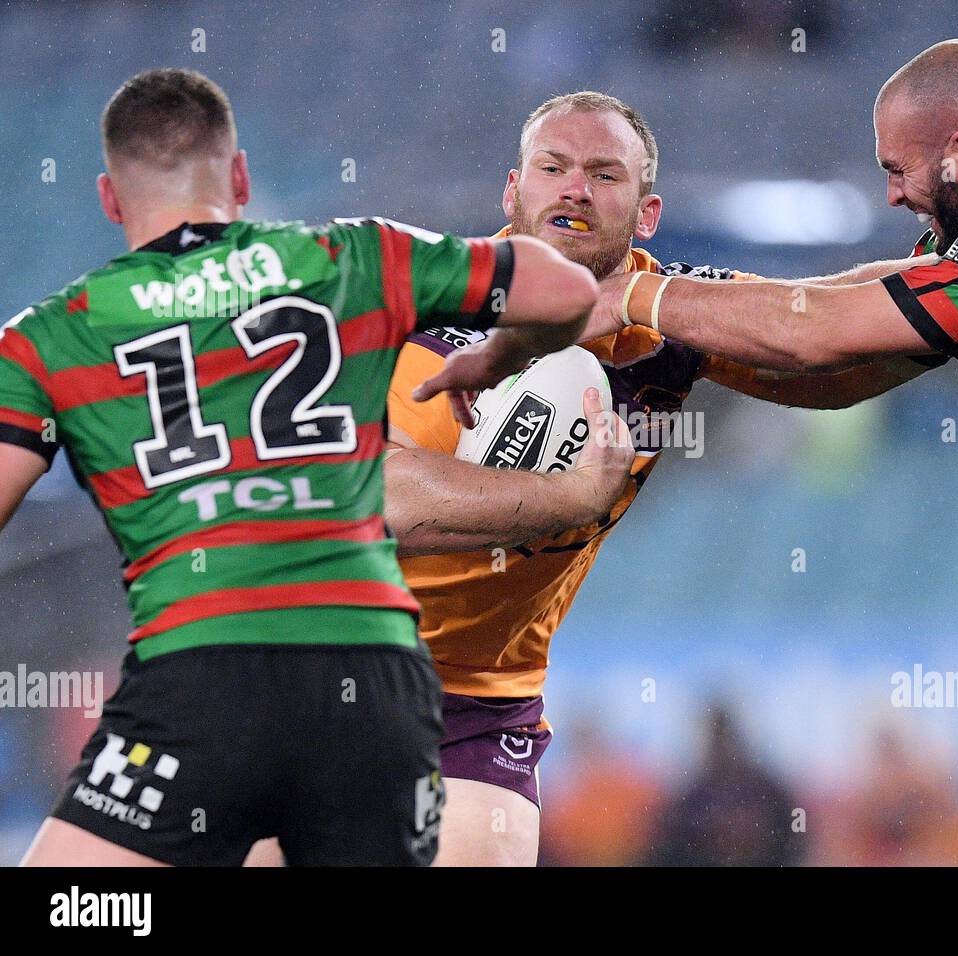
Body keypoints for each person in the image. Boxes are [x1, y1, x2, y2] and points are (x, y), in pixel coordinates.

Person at [436, 41, 958, 866]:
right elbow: (844, 342)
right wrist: (679, 326)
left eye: (897, 170)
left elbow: (829, 335)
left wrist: (636, 294)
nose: (891, 196)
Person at [378, 91, 958, 867]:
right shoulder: (431, 312)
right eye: (553, 167)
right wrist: (565, 498)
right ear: (513, 192)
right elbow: (381, 497)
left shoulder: (662, 316)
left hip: (483, 701)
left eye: (605, 175)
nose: (575, 188)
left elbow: (829, 327)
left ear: (645, 216)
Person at [2, 67, 606, 866]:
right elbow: (565, 291)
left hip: (201, 674)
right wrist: (497, 359)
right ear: (242, 179)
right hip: (376, 683)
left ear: (111, 200)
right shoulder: (354, 257)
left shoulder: (50, 337)